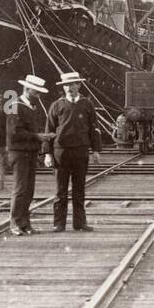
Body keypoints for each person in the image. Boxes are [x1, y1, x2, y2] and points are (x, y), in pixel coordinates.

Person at [44, 70, 101, 232]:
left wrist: (96, 150)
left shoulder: (87, 104)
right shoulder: (57, 105)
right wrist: (47, 153)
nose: (69, 88)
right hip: (60, 152)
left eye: (72, 84)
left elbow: (94, 129)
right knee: (60, 190)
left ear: (79, 85)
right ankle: (59, 223)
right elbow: (49, 129)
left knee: (79, 189)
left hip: (81, 151)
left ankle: (79, 223)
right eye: (66, 85)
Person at [6, 74, 49, 236]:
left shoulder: (31, 107)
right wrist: (37, 136)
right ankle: (15, 223)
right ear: (26, 89)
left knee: (29, 189)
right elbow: (14, 132)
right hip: (19, 153)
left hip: (29, 152)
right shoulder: (14, 106)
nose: (38, 96)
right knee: (20, 188)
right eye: (36, 92)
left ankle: (25, 223)